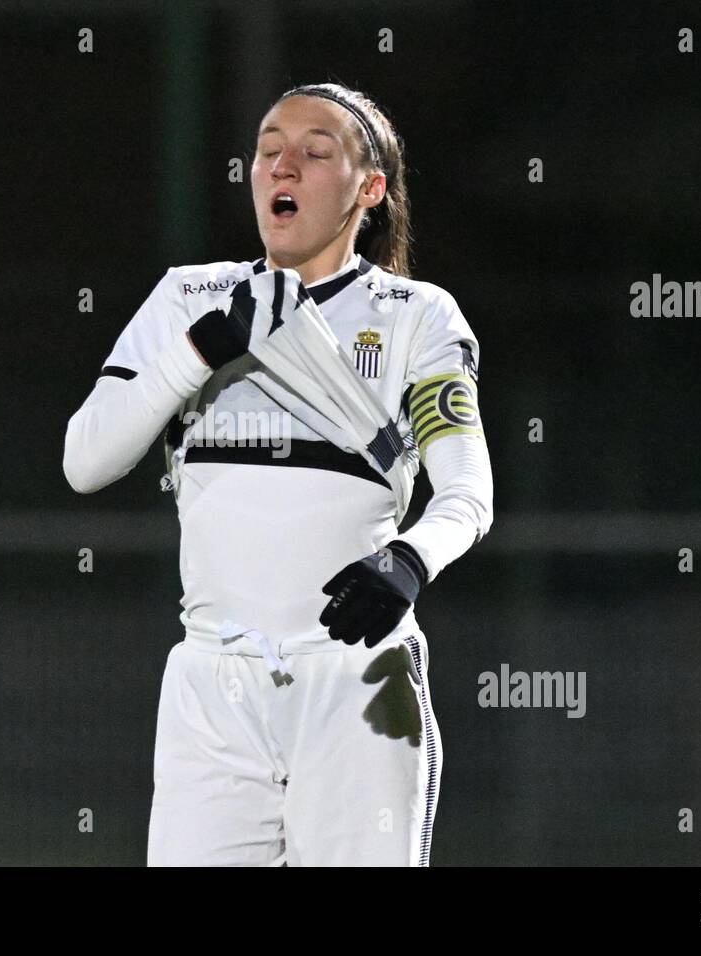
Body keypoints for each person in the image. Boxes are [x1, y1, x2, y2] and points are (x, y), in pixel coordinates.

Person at [63, 82, 493, 866]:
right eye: (267, 151)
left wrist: (408, 559)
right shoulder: (186, 297)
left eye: (314, 152)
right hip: (209, 687)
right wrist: (200, 350)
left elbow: (467, 494)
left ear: (370, 189)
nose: (281, 166)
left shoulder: (416, 316)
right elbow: (86, 460)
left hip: (358, 683)